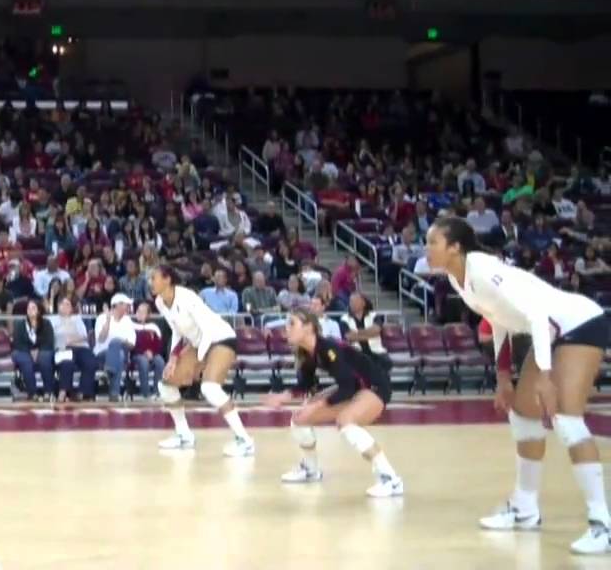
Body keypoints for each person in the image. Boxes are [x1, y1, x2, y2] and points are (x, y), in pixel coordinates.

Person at [425, 216, 611, 554]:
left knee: (567, 419)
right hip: (548, 334)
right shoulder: (458, 279)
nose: (427, 250)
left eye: (433, 242)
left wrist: (544, 375)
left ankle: (603, 524)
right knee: (522, 414)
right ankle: (525, 508)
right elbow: (498, 321)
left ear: (455, 247)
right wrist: (502, 377)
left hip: (580, 324)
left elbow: (537, 315)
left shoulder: (481, 268)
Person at [263, 309, 402, 497]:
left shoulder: (328, 347)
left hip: (375, 387)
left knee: (346, 421)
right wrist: (283, 396)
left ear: (308, 327)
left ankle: (390, 479)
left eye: (292, 324)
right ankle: (310, 470)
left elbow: (348, 386)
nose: (286, 329)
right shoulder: (308, 353)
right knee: (300, 418)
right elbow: (305, 384)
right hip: (355, 388)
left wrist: (319, 404)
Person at [151, 265, 254, 457]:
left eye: (154, 278)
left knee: (209, 388)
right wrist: (173, 358)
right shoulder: (160, 302)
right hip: (199, 342)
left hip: (221, 338)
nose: (151, 283)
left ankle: (245, 441)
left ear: (167, 280)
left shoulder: (187, 297)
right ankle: (184, 436)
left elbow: (206, 329)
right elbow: (176, 332)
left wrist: (199, 361)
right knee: (166, 385)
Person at [93, 294, 137, 400]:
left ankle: (109, 371)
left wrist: (121, 341)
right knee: (119, 355)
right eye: (126, 305)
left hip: (123, 353)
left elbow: (132, 344)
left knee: (118, 347)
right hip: (102, 354)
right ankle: (114, 394)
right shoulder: (102, 318)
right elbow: (101, 339)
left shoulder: (127, 321)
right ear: (117, 306)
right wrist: (108, 320)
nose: (128, 307)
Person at [52, 296, 96, 402]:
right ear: (58, 307)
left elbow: (84, 336)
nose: (65, 307)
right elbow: (55, 337)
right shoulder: (52, 320)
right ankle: (62, 393)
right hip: (63, 348)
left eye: (68, 305)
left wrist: (70, 340)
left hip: (80, 347)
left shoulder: (77, 319)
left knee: (91, 362)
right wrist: (70, 340)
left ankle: (82, 392)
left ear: (71, 308)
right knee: (67, 363)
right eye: (63, 304)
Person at [11, 299, 56, 401]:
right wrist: (31, 351)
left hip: (43, 349)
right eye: (29, 308)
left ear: (39, 310)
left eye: (33, 308)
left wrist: (37, 350)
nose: (30, 310)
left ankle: (48, 392)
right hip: (23, 350)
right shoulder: (20, 324)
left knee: (45, 358)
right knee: (25, 360)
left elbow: (49, 340)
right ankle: (33, 393)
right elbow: (17, 342)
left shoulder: (46, 323)